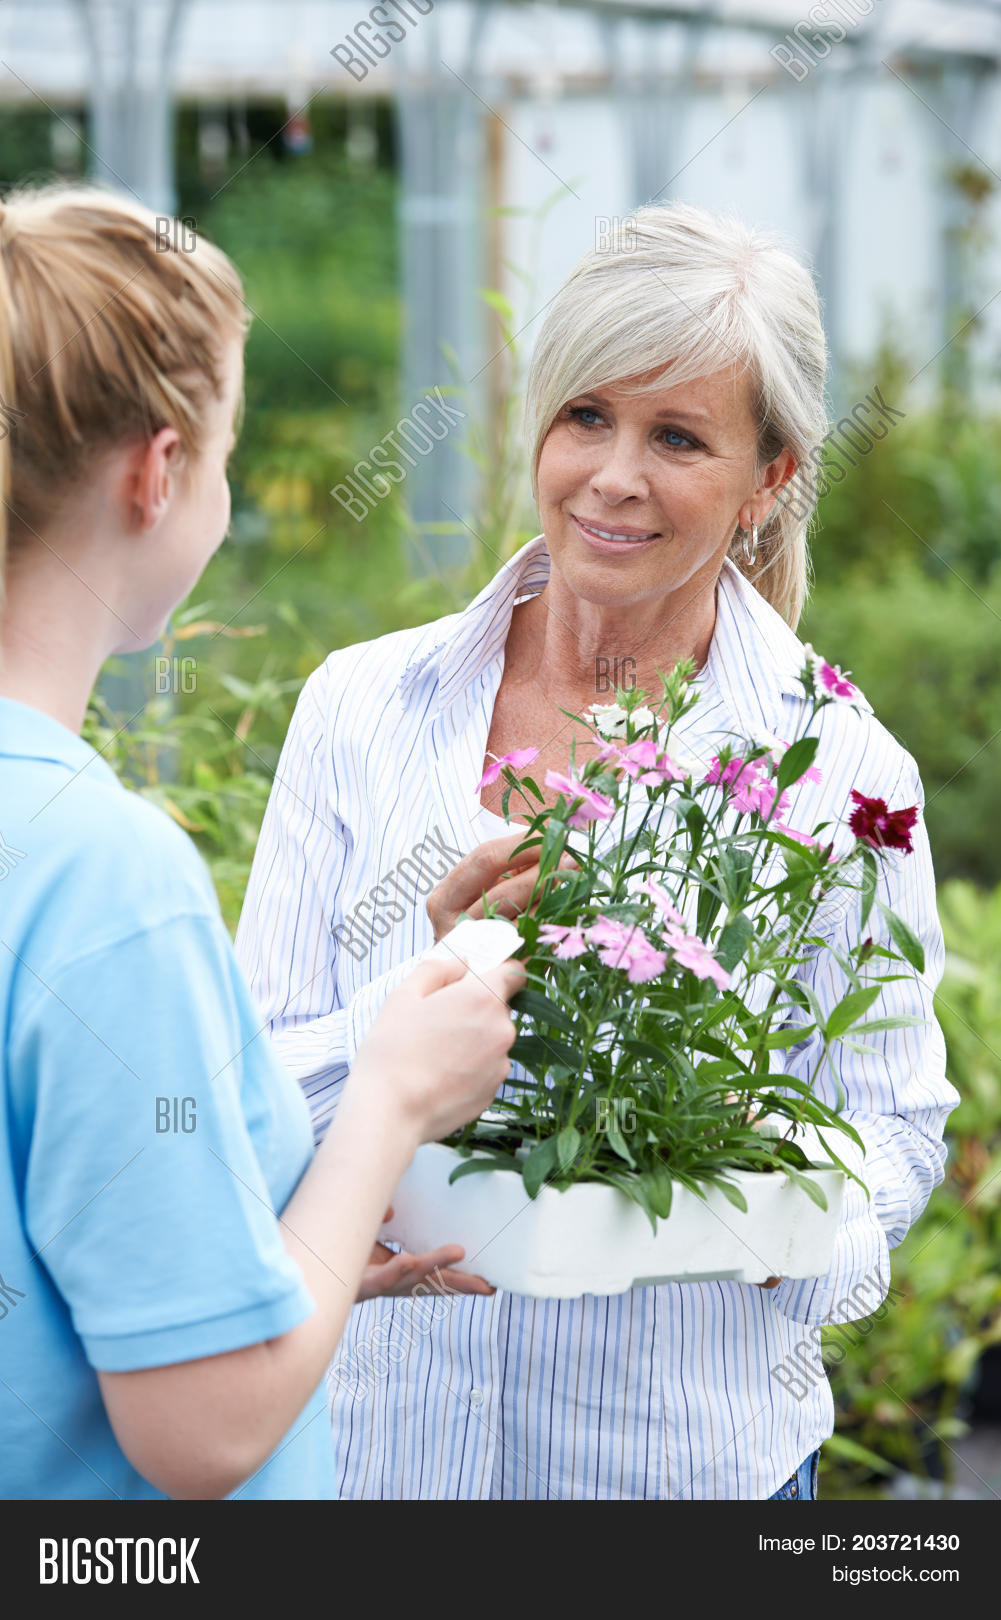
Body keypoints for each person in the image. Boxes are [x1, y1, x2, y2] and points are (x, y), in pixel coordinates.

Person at [235, 201, 960, 1500]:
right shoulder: (362, 707)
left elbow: (895, 1122)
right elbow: (242, 1100)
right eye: (584, 417)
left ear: (770, 477)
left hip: (673, 1478)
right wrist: (431, 1005)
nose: (612, 476)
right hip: (377, 1460)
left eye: (677, 437)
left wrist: (791, 1215)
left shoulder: (838, 771)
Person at [0, 184, 525, 1502]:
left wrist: (295, 1245)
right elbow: (205, 1431)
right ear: (158, 471)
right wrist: (394, 1096)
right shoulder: (101, 878)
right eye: (226, 456)